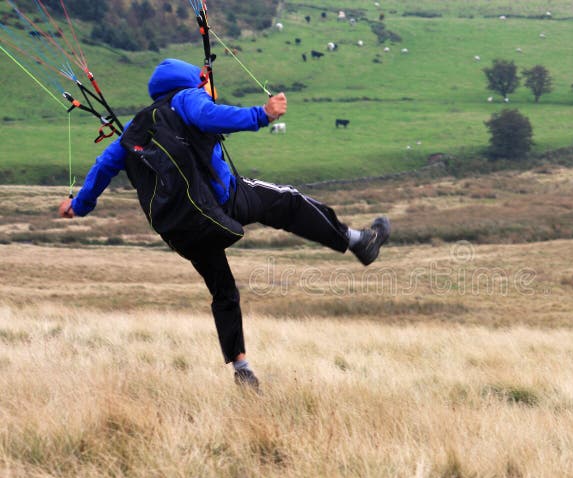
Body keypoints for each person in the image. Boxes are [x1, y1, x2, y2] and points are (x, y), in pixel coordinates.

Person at [58, 58, 390, 391]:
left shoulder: (134, 130)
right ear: (188, 81)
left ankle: (242, 369)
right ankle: (358, 240)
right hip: (223, 201)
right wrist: (263, 114)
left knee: (223, 292)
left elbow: (103, 167)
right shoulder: (187, 99)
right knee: (287, 201)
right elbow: (209, 116)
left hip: (180, 230)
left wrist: (79, 206)